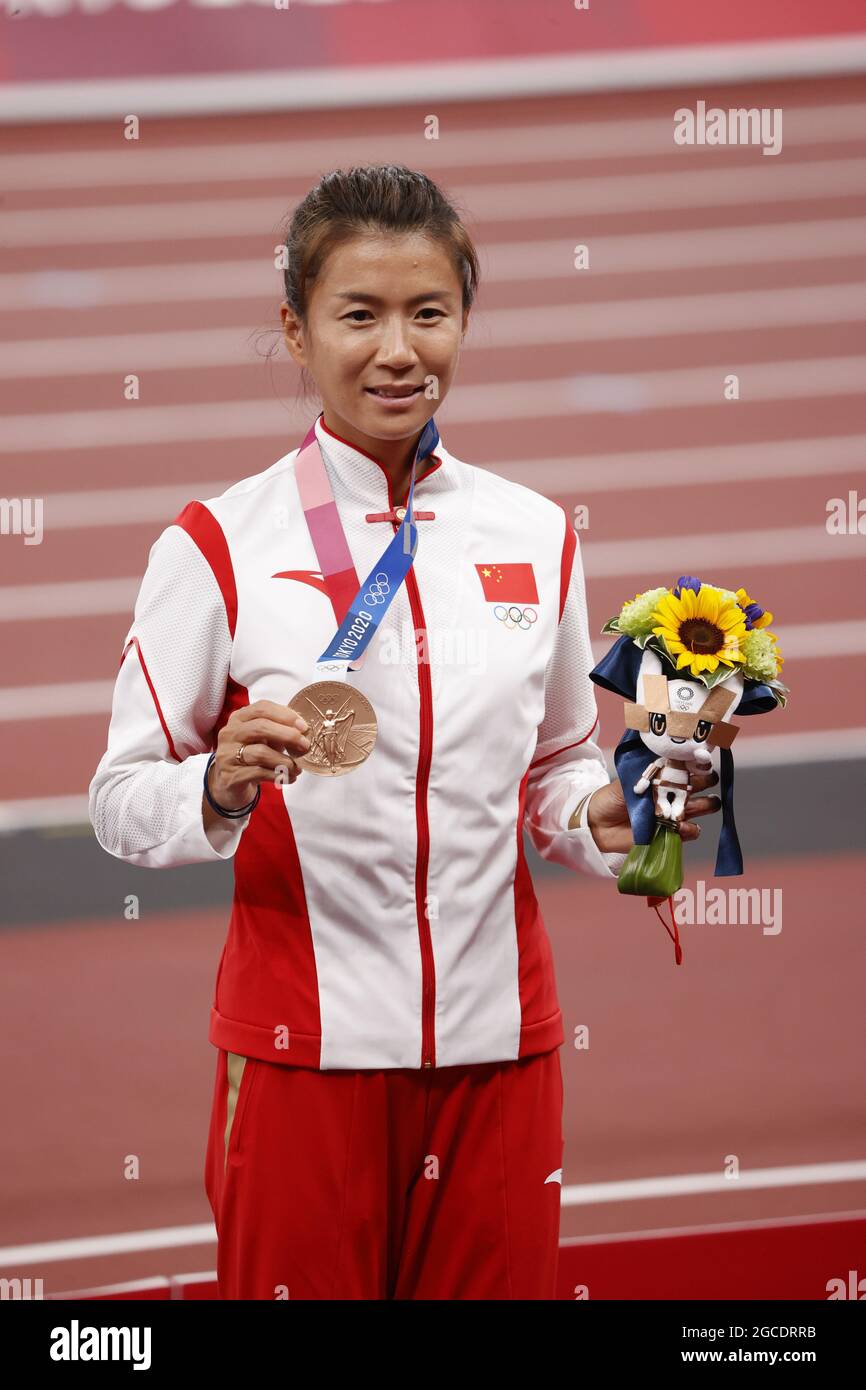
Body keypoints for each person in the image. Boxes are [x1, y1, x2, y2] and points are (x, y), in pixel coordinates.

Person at [89, 164, 720, 1300]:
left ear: (464, 320)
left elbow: (554, 767)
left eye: (428, 313)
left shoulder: (532, 531)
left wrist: (613, 813)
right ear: (295, 329)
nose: (398, 349)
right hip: (302, 1055)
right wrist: (216, 791)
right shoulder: (217, 543)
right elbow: (120, 799)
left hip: (499, 1053)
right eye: (359, 314)